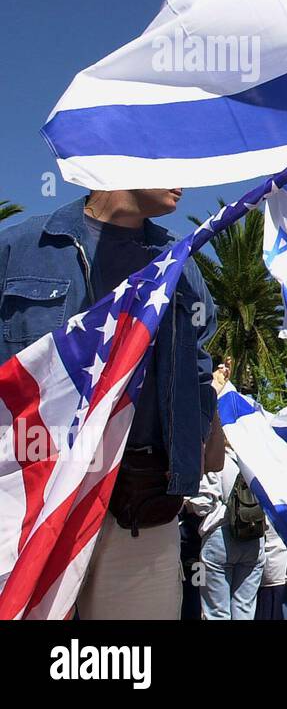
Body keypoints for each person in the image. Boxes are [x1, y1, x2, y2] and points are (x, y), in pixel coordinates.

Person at [0, 187, 220, 619]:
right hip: (28, 509)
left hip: (140, 514)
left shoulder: (181, 267)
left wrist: (188, 461)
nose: (184, 178)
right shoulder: (19, 250)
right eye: (165, 156)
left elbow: (198, 375)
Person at [188, 441, 266, 619]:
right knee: (245, 608)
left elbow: (202, 505)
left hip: (220, 536)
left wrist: (186, 504)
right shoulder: (256, 458)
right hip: (254, 536)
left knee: (216, 612)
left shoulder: (216, 459)